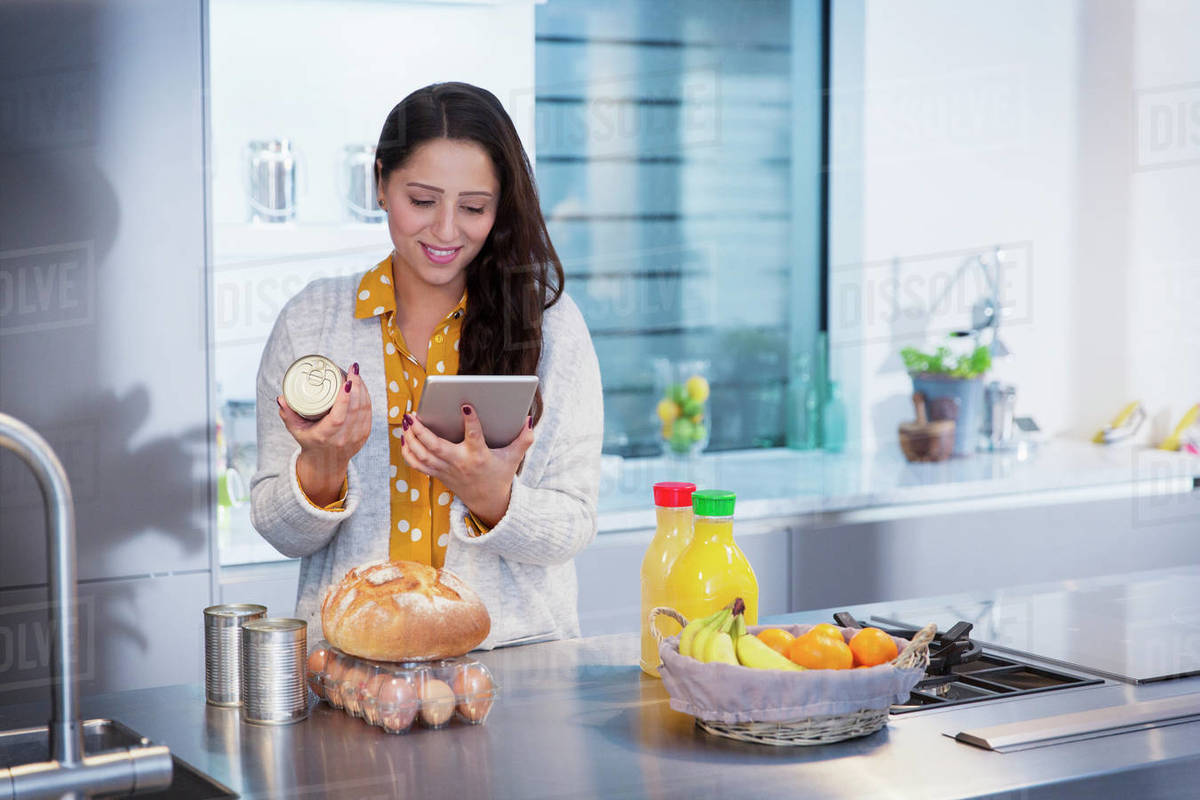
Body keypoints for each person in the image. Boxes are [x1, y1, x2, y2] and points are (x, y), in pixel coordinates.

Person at [250, 82, 603, 647]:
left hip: (510, 665)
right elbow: (279, 530)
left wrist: (491, 494)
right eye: (421, 201)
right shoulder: (312, 320)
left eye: (473, 208)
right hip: (355, 667)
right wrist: (323, 466)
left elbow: (573, 525)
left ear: (501, 206)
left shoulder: (547, 322)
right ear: (382, 181)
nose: (445, 231)